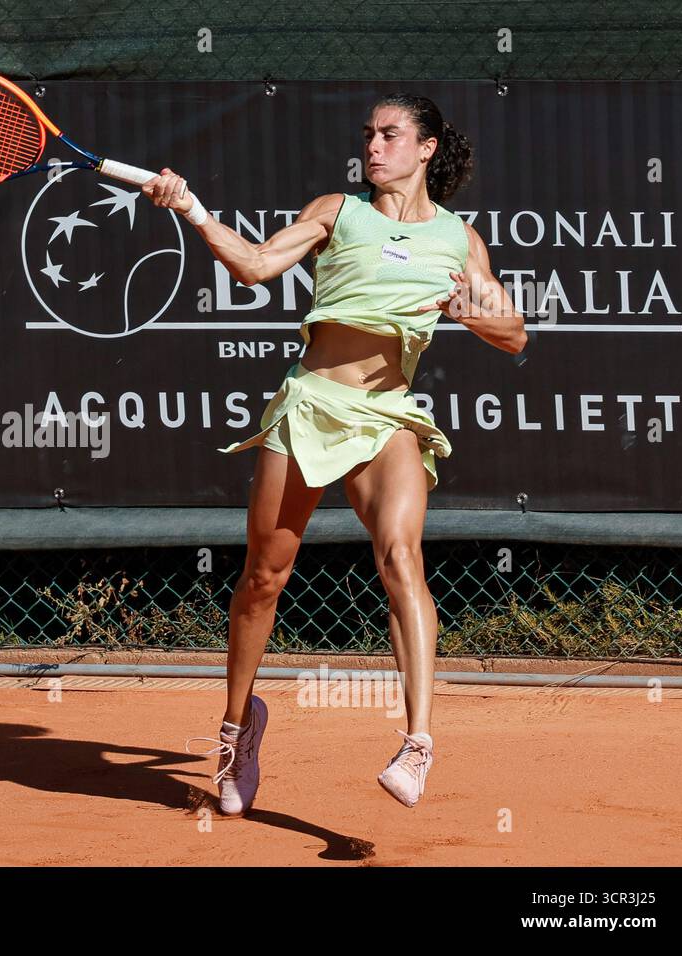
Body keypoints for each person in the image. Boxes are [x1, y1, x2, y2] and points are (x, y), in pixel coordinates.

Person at [143, 92, 527, 813]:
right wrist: (191, 209)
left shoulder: (458, 239)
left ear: (427, 148)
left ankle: (417, 745)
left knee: (401, 557)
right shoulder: (337, 211)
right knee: (265, 576)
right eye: (368, 135)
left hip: (386, 417)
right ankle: (237, 728)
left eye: (390, 135)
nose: (373, 147)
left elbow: (515, 334)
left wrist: (469, 311)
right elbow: (255, 266)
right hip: (312, 404)